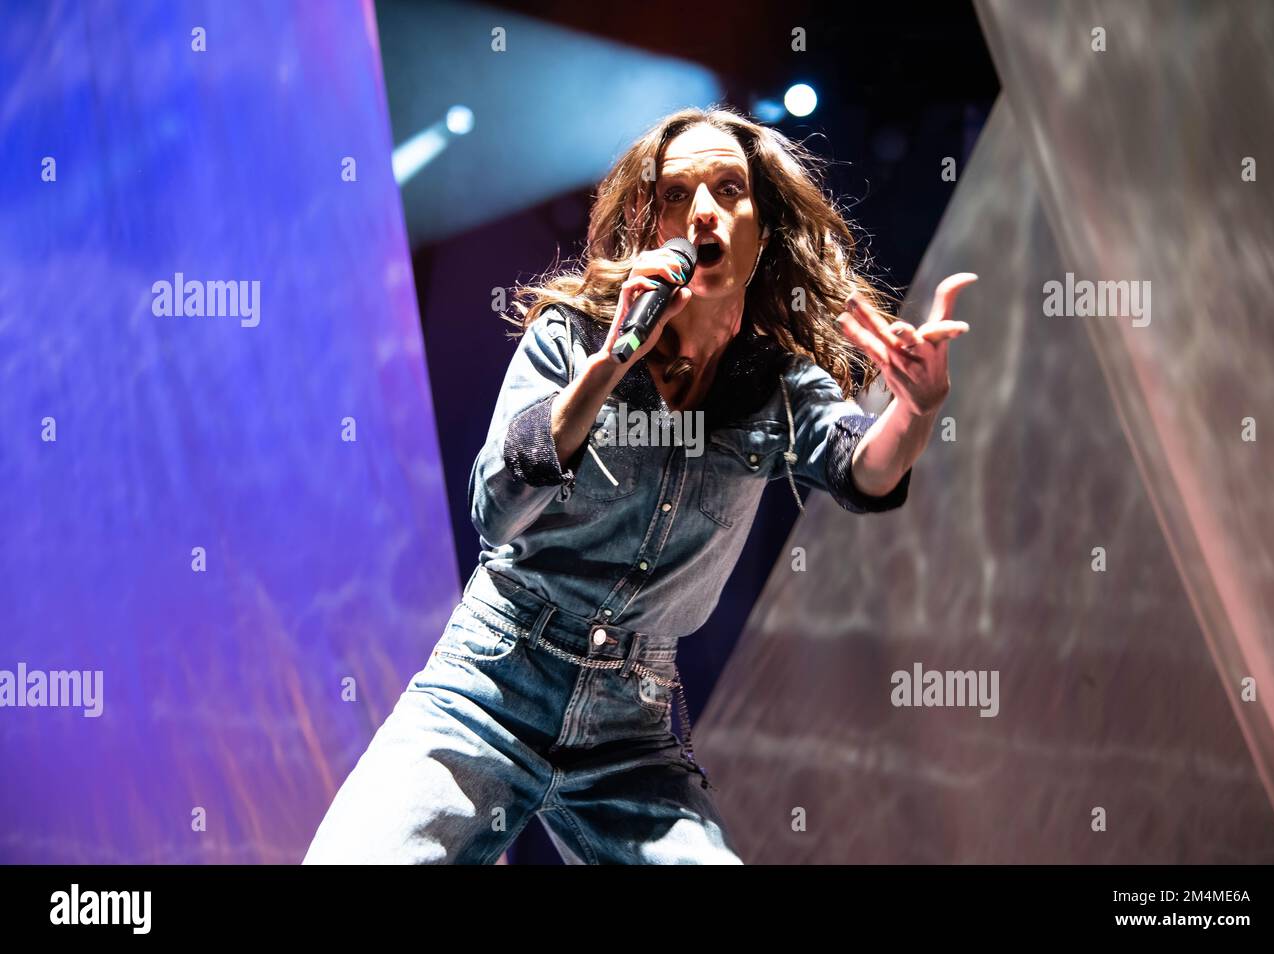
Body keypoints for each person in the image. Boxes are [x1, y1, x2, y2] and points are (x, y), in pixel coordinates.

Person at [302, 105, 974, 865]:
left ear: (762, 226)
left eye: (729, 190)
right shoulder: (573, 335)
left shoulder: (777, 381)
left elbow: (865, 468)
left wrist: (916, 409)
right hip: (488, 687)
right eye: (677, 195)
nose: (704, 213)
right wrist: (609, 368)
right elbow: (495, 510)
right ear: (648, 224)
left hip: (631, 730)